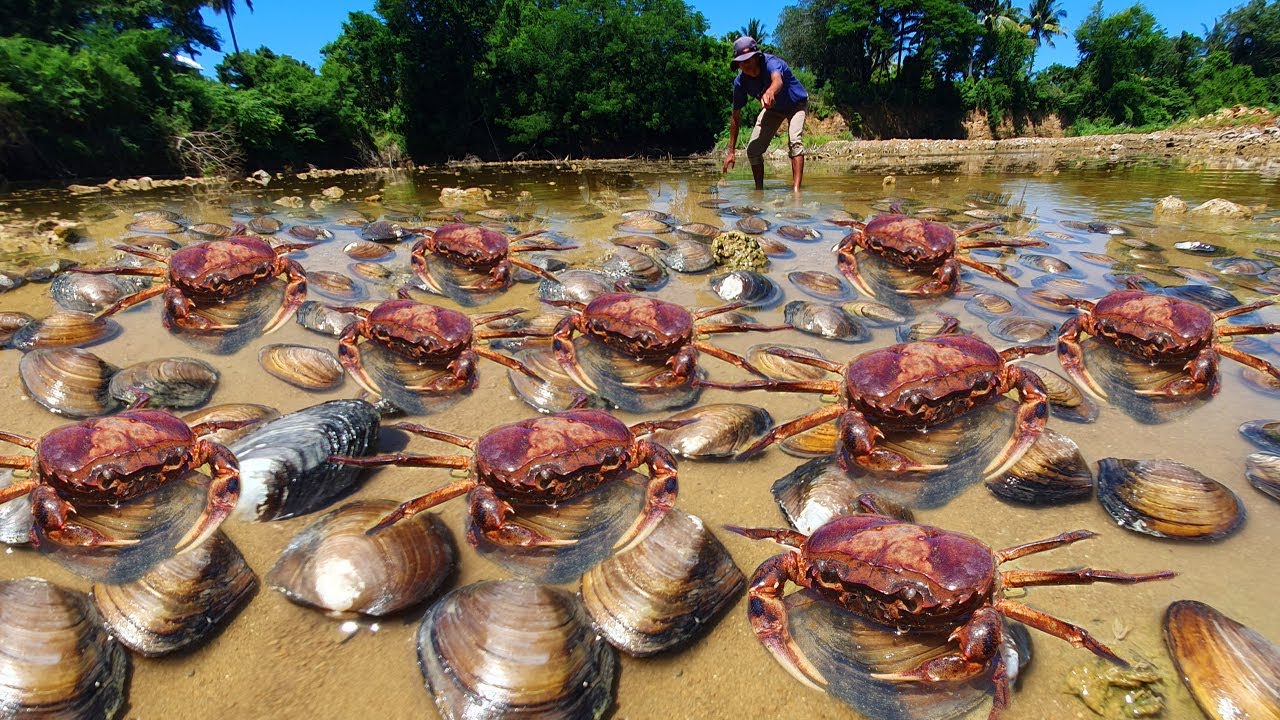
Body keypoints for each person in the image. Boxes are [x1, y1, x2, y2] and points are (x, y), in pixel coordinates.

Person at [721, 36, 809, 192]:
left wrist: (770, 91)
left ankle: (796, 192)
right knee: (753, 150)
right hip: (773, 109)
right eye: (741, 63)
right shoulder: (740, 82)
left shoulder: (771, 63)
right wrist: (731, 151)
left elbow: (778, 80)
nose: (745, 65)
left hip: (797, 104)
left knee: (795, 141)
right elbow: (735, 116)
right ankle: (759, 191)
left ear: (756, 57)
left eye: (748, 60)